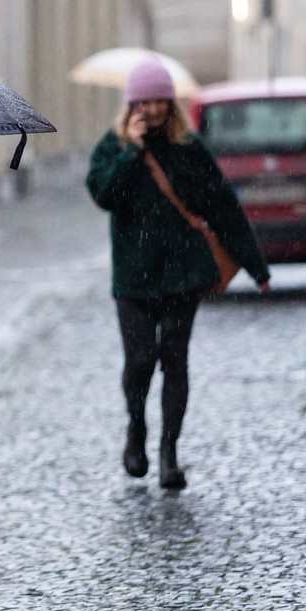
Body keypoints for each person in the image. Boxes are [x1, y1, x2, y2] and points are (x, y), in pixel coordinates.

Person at [86, 56, 270, 489]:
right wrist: (132, 151)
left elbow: (223, 206)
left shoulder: (189, 150)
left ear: (170, 104)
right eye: (142, 101)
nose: (150, 109)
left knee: (174, 359)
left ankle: (170, 452)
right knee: (139, 361)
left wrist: (256, 266)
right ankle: (137, 431)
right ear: (130, 105)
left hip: (181, 275)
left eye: (158, 101)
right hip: (132, 278)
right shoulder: (113, 147)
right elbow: (104, 195)